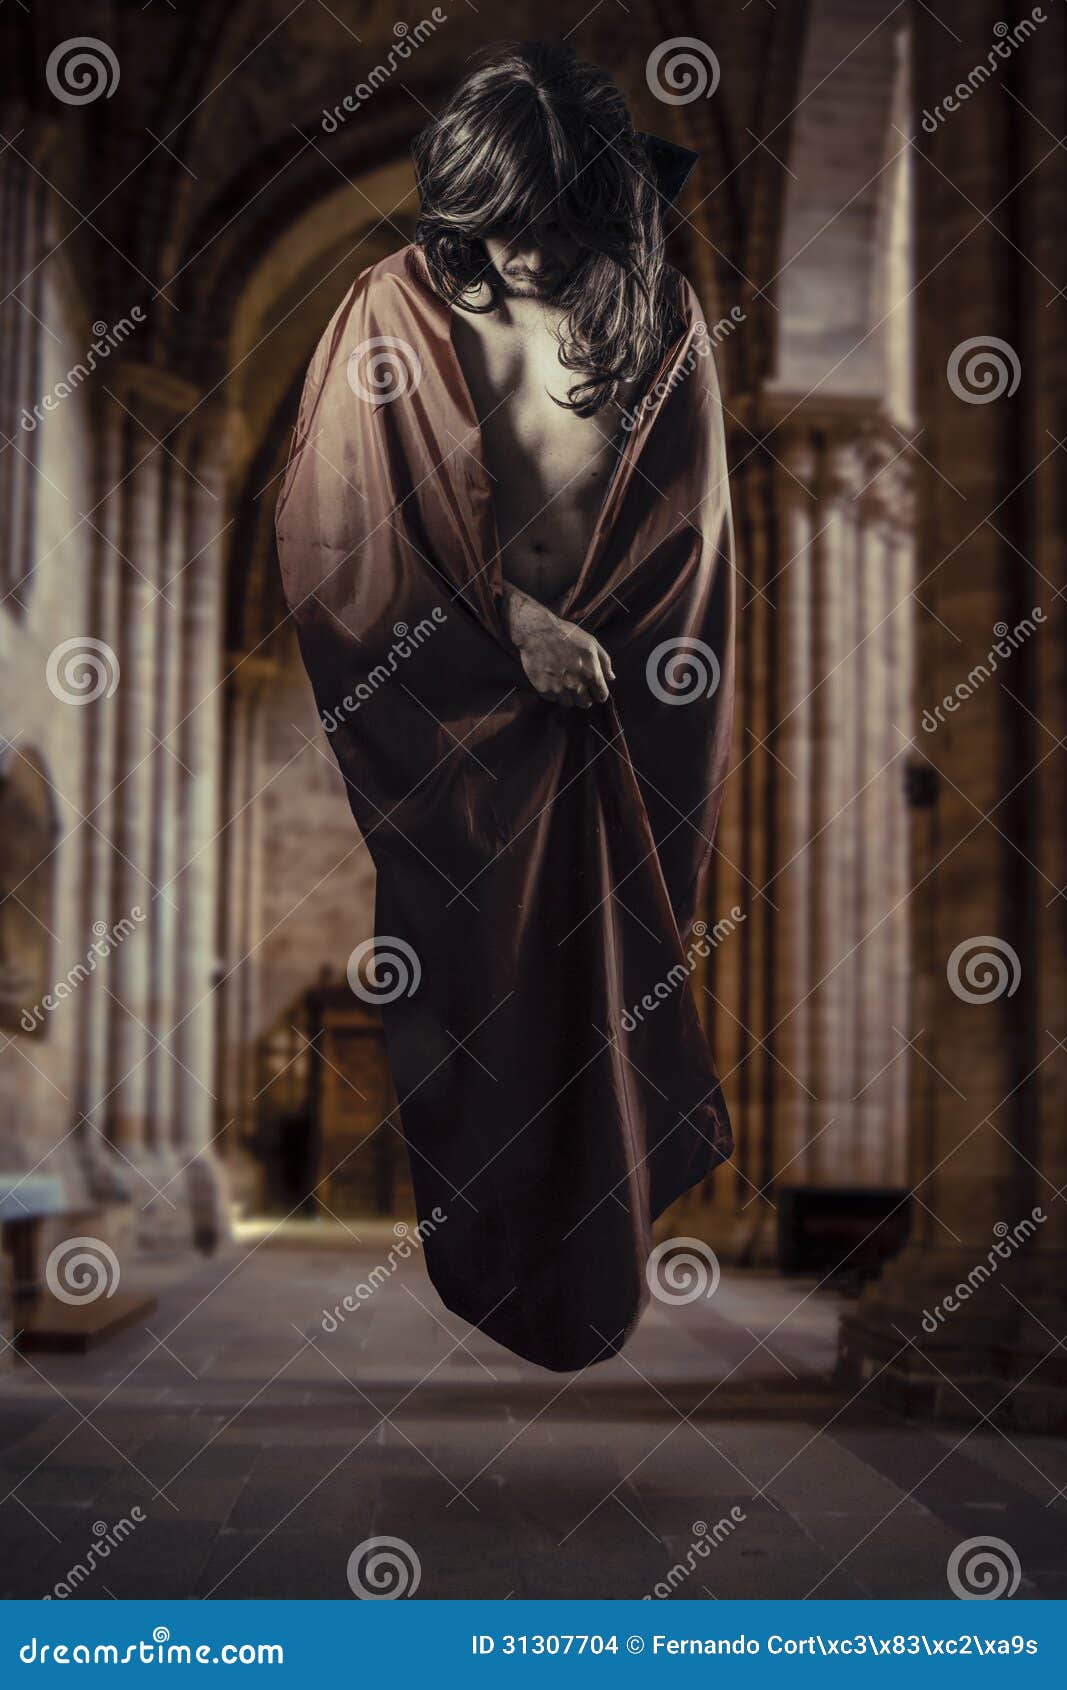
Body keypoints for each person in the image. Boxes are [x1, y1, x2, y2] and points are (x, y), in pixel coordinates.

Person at [276, 39, 735, 1371]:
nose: (521, 250)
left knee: (602, 995)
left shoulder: (659, 320)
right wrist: (505, 621)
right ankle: (498, 1244)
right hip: (463, 713)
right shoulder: (393, 310)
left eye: (548, 219)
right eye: (496, 222)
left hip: (611, 718)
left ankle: (591, 1252)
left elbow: (689, 534)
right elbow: (337, 527)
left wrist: (613, 640)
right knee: (479, 1000)